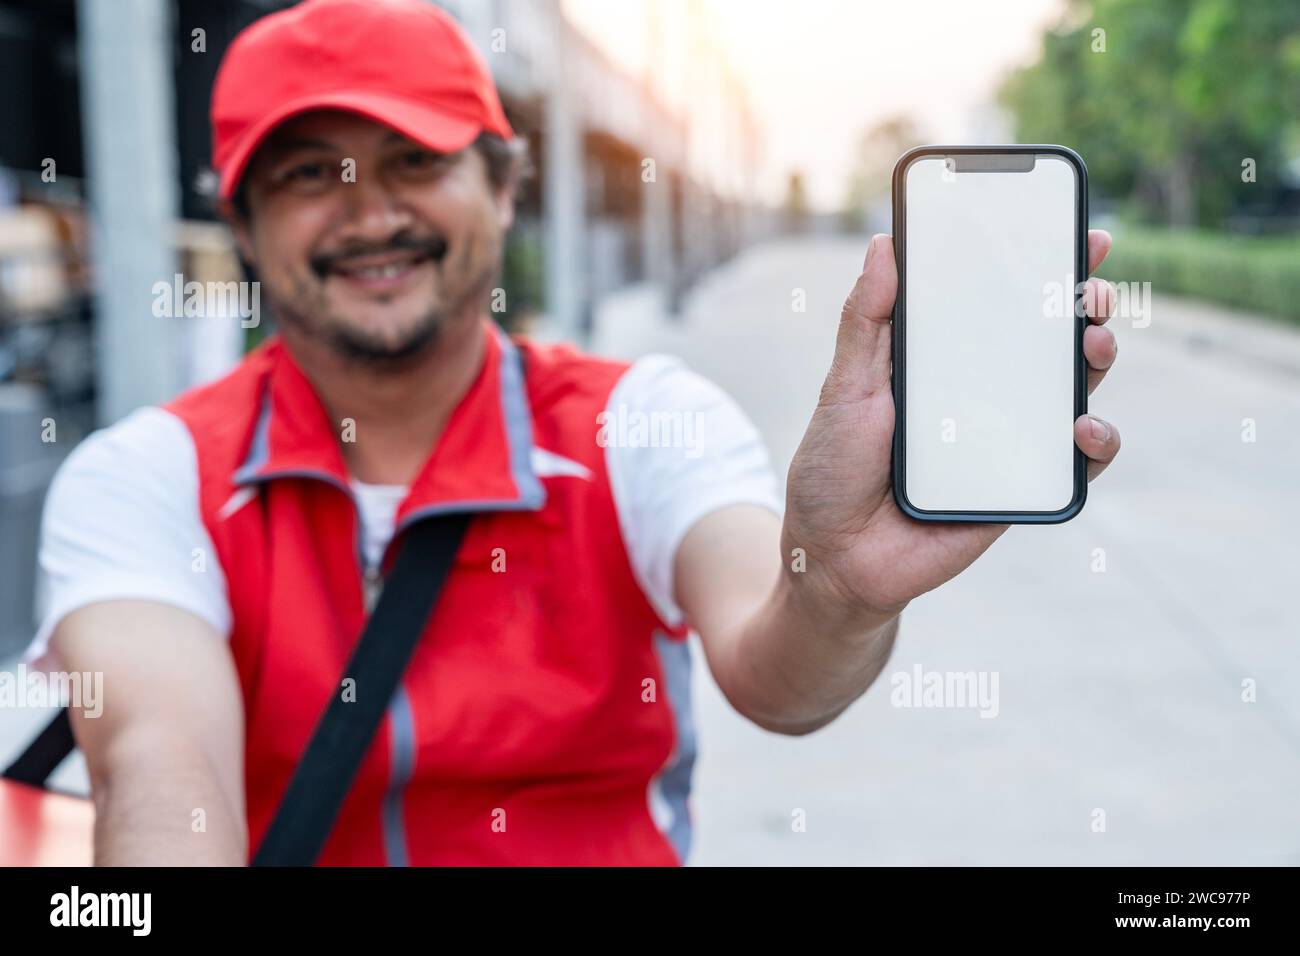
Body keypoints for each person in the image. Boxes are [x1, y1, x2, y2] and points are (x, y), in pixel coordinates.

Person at [27, 0, 1122, 866]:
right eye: (311, 173)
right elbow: (161, 766)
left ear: (502, 189)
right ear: (245, 223)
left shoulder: (643, 422)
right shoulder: (144, 474)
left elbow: (777, 677)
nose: (369, 213)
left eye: (414, 159)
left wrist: (837, 587)